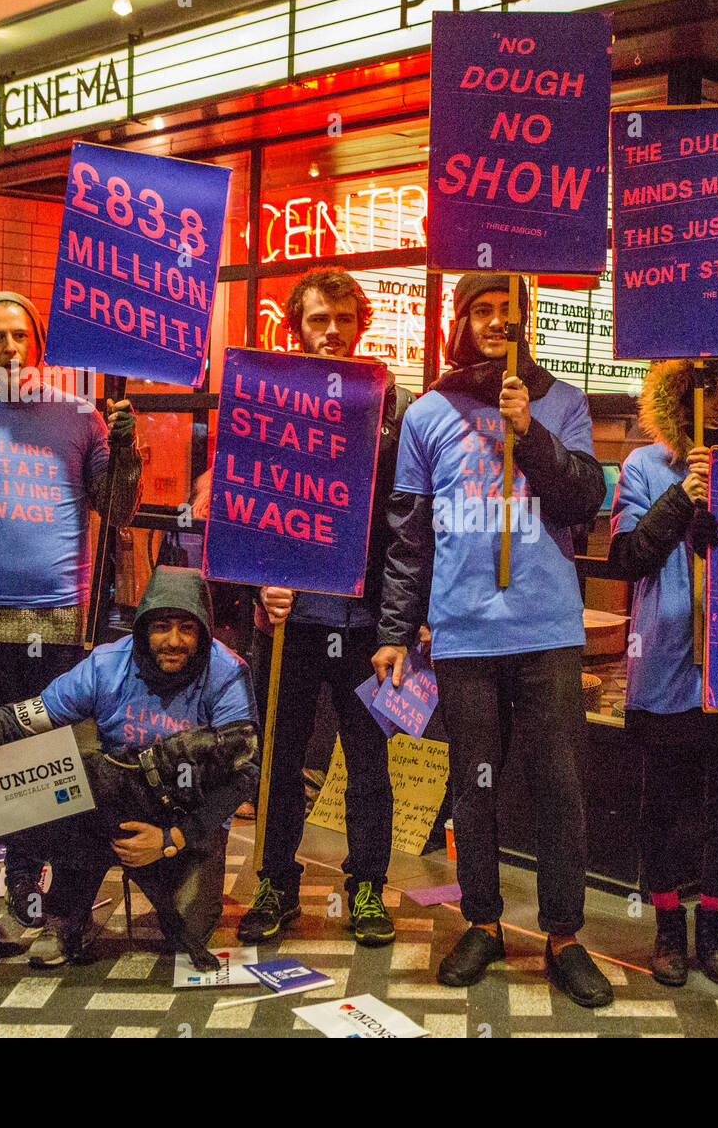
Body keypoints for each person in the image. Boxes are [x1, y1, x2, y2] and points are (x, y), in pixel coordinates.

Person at [372, 273, 613, 1007]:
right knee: (473, 789)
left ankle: (564, 937)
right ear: (463, 319)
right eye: (482, 311)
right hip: (463, 634)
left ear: (527, 321)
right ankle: (482, 922)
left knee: (559, 789)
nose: (496, 323)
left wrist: (529, 435)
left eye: (509, 312)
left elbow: (586, 501)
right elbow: (408, 536)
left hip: (545, 631)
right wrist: (392, 630)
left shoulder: (563, 402)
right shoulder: (429, 411)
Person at [0, 291, 142, 930]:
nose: (10, 348)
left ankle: (25, 883)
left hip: (57, 623)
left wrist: (125, 450)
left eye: (20, 336)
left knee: (40, 765)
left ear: (37, 343)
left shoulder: (82, 418)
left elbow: (118, 509)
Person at [0, 567, 258, 956]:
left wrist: (172, 839)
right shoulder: (106, 665)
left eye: (187, 628)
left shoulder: (227, 672)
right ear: (142, 630)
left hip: (188, 815)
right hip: (111, 806)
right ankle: (65, 910)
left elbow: (245, 775)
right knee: (64, 775)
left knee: (186, 932)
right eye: (161, 627)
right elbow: (25, 718)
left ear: (203, 632)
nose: (174, 641)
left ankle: (170, 877)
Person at [237, 269, 413, 948]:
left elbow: (407, 532)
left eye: (344, 319)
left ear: (360, 326)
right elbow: (241, 507)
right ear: (296, 328)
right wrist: (257, 585)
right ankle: (275, 883)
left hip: (366, 626)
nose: (333, 331)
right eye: (319, 320)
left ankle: (366, 886)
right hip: (289, 625)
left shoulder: (390, 415)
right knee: (278, 764)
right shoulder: (266, 406)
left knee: (370, 766)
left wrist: (400, 623)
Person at [608, 358, 718, 986]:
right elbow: (627, 558)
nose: (713, 404)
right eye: (700, 390)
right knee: (663, 806)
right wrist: (680, 502)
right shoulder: (644, 467)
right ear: (676, 395)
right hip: (664, 666)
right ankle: (666, 929)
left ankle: (712, 930)